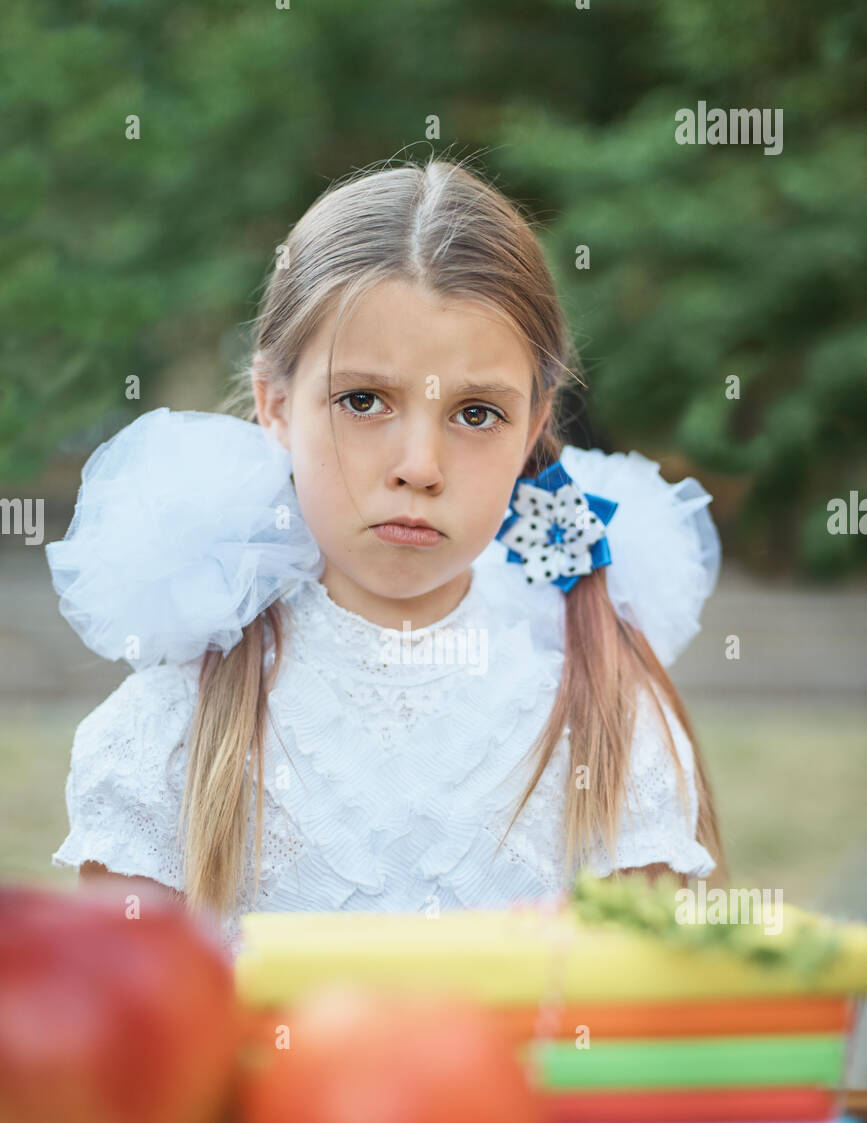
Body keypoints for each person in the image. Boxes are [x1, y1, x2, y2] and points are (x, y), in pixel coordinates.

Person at [47, 155, 727, 958]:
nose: (419, 465)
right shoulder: (167, 727)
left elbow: (632, 1048)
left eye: (476, 413)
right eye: (362, 400)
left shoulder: (607, 716)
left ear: (536, 423)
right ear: (273, 402)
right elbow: (129, 1047)